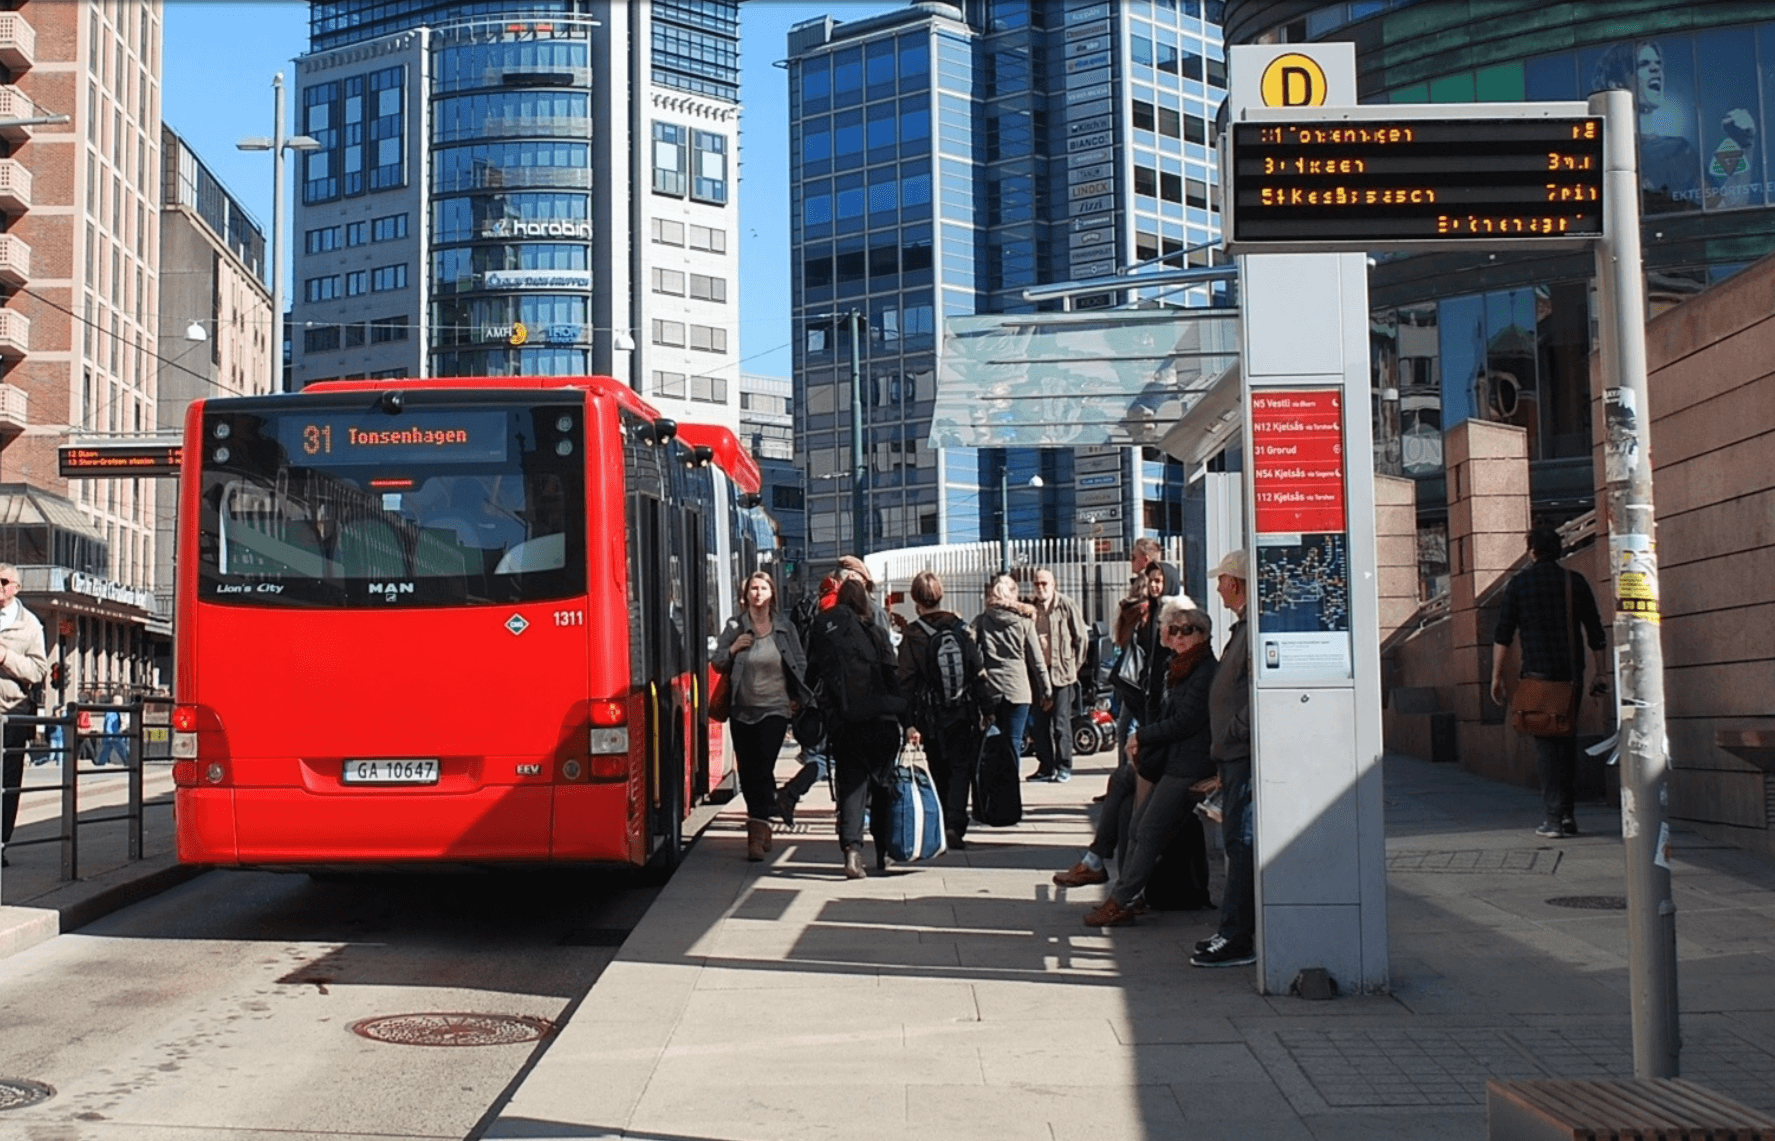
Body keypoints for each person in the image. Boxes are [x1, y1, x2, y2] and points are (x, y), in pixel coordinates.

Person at [1084, 602, 1217, 926]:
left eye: (1189, 630)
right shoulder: (1180, 665)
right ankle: (1121, 889)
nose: (1180, 636)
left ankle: (1121, 899)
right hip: (1173, 759)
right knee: (1134, 815)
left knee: (1149, 829)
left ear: (1203, 634)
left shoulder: (1203, 670)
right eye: (1175, 630)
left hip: (1189, 765)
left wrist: (1144, 735)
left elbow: (1186, 721)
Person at [1053, 560, 1183, 889]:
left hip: (1167, 738)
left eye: (1159, 580)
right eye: (1150, 580)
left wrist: (1148, 733)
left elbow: (1181, 706)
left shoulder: (1174, 618)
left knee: (1129, 793)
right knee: (1124, 791)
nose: (1154, 586)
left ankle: (1116, 882)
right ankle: (1106, 870)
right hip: (1150, 719)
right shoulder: (1148, 614)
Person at [1490, 524, 1609, 838]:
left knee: (1546, 748)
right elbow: (1595, 632)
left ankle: (1555, 818)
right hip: (1571, 677)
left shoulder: (1519, 585)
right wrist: (1601, 672)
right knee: (1567, 741)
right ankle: (1567, 816)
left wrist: (1496, 676)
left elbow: (1503, 635)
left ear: (1532, 551)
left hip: (1537, 677)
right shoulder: (1575, 583)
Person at [805, 577, 903, 878]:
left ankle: (852, 851)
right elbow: (892, 675)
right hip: (881, 721)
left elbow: (811, 675)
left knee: (851, 786)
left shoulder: (825, 631)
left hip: (845, 722)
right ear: (864, 602)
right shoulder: (876, 632)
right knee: (882, 786)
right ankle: (884, 853)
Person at [713, 571, 811, 862]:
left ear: (771, 594)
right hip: (742, 710)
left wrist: (796, 697)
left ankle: (756, 833)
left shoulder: (784, 626)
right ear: (746, 595)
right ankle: (762, 824)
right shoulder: (736, 626)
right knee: (748, 772)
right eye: (753, 589)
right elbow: (717, 662)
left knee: (763, 766)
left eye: (763, 588)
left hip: (775, 709)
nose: (758, 594)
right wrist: (732, 649)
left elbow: (799, 662)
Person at [1193, 549, 1256, 968]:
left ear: (1234, 583)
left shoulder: (1252, 632)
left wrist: (1232, 734)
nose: (1217, 588)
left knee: (1241, 842)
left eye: (1221, 581)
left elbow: (1256, 694)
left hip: (1241, 754)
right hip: (1231, 754)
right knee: (1236, 841)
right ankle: (1231, 931)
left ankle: (1236, 936)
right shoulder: (1243, 629)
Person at [897, 570, 987, 850]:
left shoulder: (913, 634)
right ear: (941, 596)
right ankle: (955, 824)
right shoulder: (961, 628)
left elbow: (906, 682)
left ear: (916, 602)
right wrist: (988, 708)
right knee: (961, 768)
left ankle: (941, 821)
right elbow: (977, 671)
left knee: (938, 766)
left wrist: (908, 721)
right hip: (963, 710)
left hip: (930, 714)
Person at [777, 573, 844, 826]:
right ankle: (792, 792)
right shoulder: (840, 614)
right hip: (835, 698)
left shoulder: (806, 613)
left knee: (824, 755)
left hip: (810, 697)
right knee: (835, 756)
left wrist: (795, 695)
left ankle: (792, 793)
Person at [0, 562, 49, 866]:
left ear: (16, 587)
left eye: (3, 581)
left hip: (11, 713)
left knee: (6, 782)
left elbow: (38, 670)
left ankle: (1, 842)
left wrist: (6, 657)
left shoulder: (29, 625)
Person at [972, 574, 1050, 762]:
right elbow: (1037, 661)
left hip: (991, 689)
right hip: (1018, 690)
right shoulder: (1024, 622)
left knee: (992, 742)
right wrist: (1046, 690)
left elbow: (970, 649)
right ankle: (1012, 786)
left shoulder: (982, 621)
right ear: (1013, 595)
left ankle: (993, 787)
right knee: (1014, 742)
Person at [1028, 568, 1089, 784]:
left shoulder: (1066, 605)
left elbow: (1081, 638)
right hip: (1039, 677)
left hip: (1062, 676)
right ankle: (1046, 766)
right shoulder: (1031, 609)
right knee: (1039, 725)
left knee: (1060, 723)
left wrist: (1073, 667)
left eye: (1044, 583)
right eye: (1037, 584)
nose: (1040, 588)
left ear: (1054, 585)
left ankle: (1064, 766)